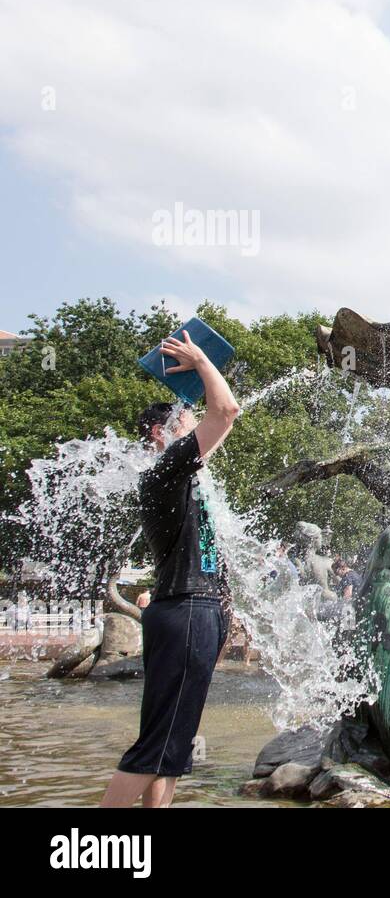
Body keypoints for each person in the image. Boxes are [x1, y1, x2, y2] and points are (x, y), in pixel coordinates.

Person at [100, 328, 240, 808]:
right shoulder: (164, 471)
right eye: (185, 418)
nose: (193, 421)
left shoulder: (178, 473)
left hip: (188, 610)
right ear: (161, 434)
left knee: (169, 741)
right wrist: (200, 359)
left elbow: (216, 424)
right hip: (187, 611)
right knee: (159, 745)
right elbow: (226, 412)